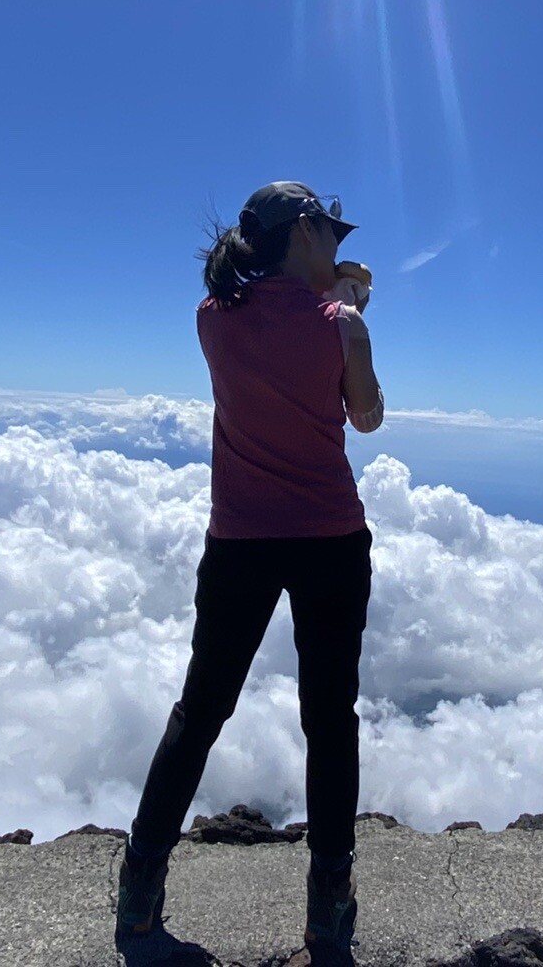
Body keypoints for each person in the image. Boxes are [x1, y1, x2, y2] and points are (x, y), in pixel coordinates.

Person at [116, 181, 385, 966]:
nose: (336, 242)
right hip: (330, 539)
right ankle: (327, 911)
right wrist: (353, 310)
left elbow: (281, 319)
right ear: (304, 231)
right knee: (330, 720)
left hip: (238, 540)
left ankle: (140, 891)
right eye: (328, 231)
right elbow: (364, 416)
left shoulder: (212, 320)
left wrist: (335, 291)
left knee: (199, 711)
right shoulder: (345, 326)